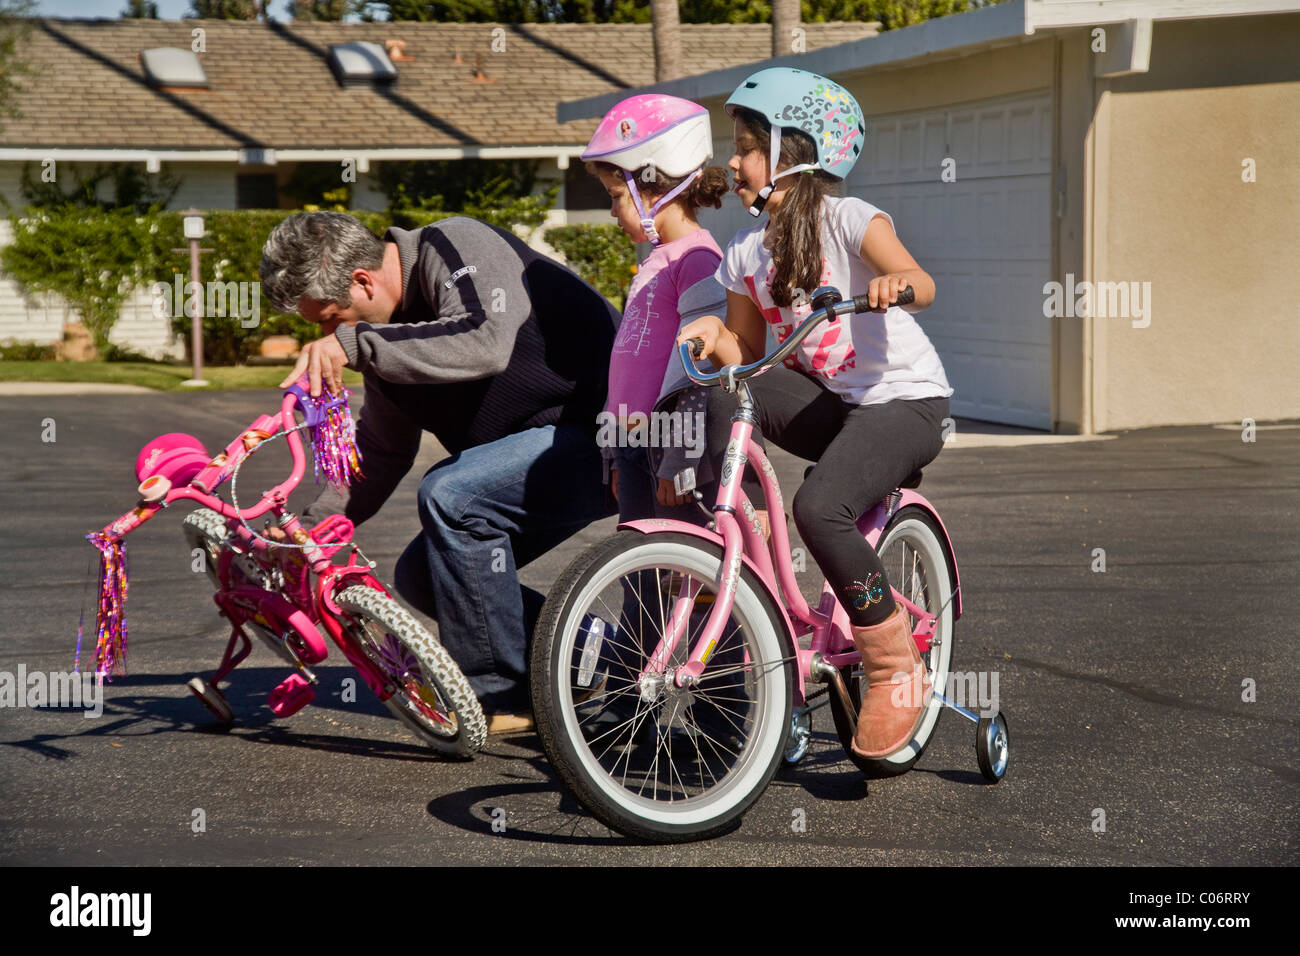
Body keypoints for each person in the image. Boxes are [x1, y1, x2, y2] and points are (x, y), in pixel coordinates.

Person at [678, 67, 954, 762]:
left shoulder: (848, 219)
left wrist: (896, 284)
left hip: (905, 401)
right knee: (725, 389)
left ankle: (894, 666)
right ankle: (735, 515)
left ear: (793, 153)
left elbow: (921, 282)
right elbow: (745, 348)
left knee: (822, 506)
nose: (732, 162)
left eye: (746, 147)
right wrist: (717, 340)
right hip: (837, 406)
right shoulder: (746, 252)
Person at [259, 211, 620, 732]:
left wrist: (354, 343)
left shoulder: (453, 244)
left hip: (611, 430)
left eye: (329, 317)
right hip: (551, 456)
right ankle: (605, 657)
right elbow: (381, 452)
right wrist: (308, 534)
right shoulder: (383, 342)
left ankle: (506, 698)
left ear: (363, 281)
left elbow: (486, 338)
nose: (327, 333)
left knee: (451, 495)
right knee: (426, 575)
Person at [581, 93, 730, 525]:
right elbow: (627, 362)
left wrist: (679, 460)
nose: (611, 212)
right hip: (633, 444)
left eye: (615, 197)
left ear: (652, 190)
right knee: (639, 575)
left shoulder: (697, 259)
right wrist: (614, 451)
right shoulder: (656, 258)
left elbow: (699, 373)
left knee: (676, 576)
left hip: (668, 446)